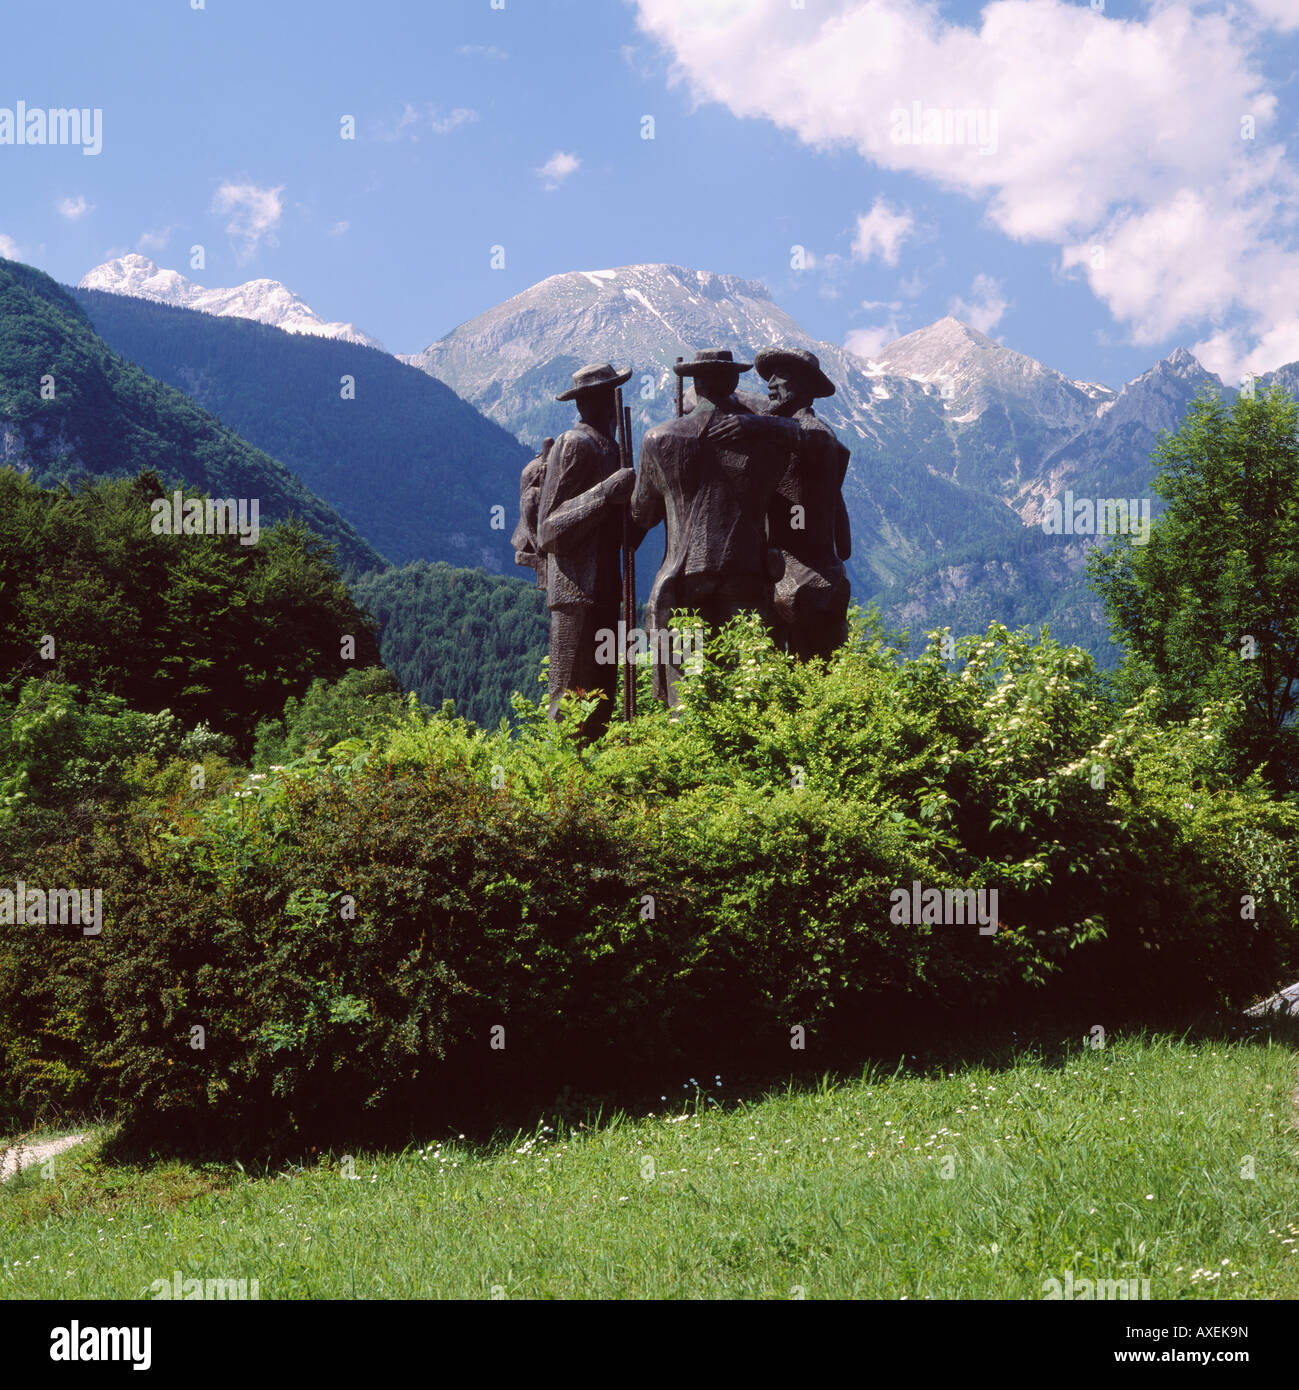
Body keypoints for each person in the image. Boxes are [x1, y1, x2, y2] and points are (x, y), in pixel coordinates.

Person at [631, 349, 798, 705]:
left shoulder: (659, 439)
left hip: (684, 577)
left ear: (695, 383)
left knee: (686, 692)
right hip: (747, 575)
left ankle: (688, 754)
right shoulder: (766, 443)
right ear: (735, 381)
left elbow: (642, 514)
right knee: (748, 689)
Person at [536, 365, 636, 735]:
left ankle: (596, 784)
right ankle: (563, 784)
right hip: (576, 591)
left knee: (601, 702)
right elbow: (550, 530)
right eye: (610, 394)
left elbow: (623, 534)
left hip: (607, 592)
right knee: (568, 701)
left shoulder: (612, 449)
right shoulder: (575, 444)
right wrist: (606, 493)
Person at [754, 348, 852, 661]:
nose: (770, 383)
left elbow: (807, 434)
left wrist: (747, 422)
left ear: (804, 385)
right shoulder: (798, 441)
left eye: (780, 375)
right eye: (768, 376)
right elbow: (845, 543)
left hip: (802, 584)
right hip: (816, 580)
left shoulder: (817, 435)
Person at [511, 437, 555, 591]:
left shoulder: (529, 469)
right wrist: (539, 544)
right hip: (536, 535)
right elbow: (527, 505)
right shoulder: (533, 473)